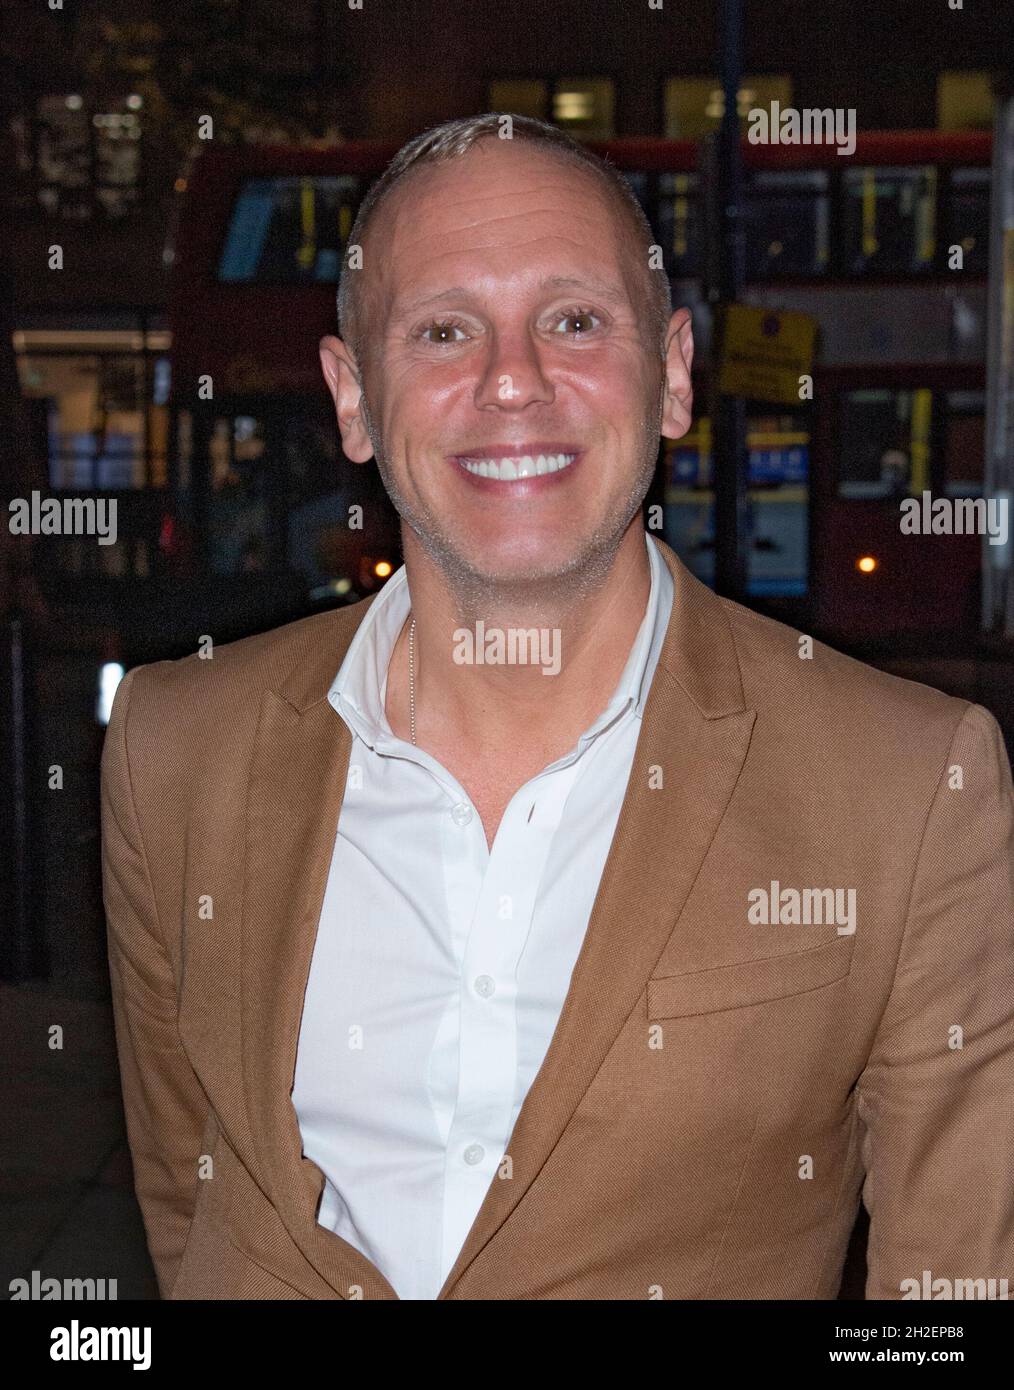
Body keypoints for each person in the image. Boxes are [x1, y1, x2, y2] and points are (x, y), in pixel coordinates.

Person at [101, 113, 1014, 1301]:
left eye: (574, 320)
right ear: (352, 396)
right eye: (442, 331)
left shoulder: (914, 781)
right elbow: (191, 1200)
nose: (512, 380)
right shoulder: (173, 748)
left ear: (674, 372)